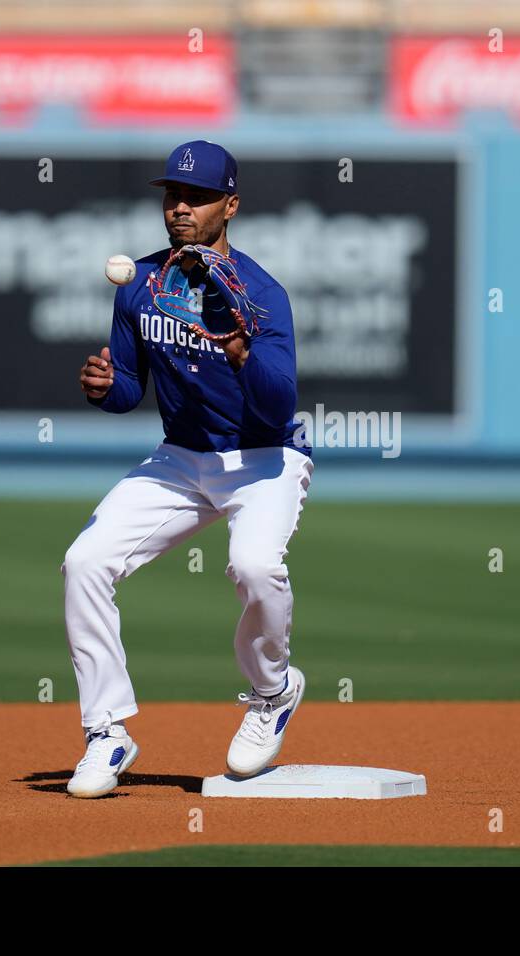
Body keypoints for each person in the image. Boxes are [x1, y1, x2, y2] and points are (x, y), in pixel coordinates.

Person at [62, 140, 313, 797]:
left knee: (255, 566)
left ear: (229, 206)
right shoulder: (142, 284)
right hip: (179, 458)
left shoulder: (261, 295)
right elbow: (126, 393)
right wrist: (104, 387)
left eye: (197, 198)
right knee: (85, 562)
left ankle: (273, 691)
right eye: (172, 195)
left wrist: (243, 352)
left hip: (265, 457)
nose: (180, 207)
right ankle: (107, 732)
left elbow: (279, 401)